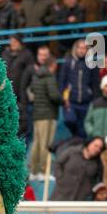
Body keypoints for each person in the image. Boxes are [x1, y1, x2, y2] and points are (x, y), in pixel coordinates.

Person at [51, 134, 104, 214]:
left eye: (100, 148)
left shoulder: (96, 163)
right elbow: (57, 163)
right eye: (96, 145)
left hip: (80, 197)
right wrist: (60, 178)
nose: (97, 149)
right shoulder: (72, 151)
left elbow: (97, 179)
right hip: (62, 194)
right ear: (89, 143)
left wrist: (90, 190)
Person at [29, 45, 59, 180]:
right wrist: (63, 100)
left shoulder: (36, 76)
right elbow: (54, 96)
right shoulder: (50, 77)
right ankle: (43, 172)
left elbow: (30, 91)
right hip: (47, 115)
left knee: (36, 143)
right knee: (45, 144)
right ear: (52, 65)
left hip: (37, 114)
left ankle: (33, 171)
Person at [58, 38, 97, 138]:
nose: (81, 50)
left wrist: (94, 100)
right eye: (79, 48)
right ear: (75, 49)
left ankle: (79, 142)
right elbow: (62, 81)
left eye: (84, 48)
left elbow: (95, 83)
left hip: (86, 102)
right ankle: (76, 136)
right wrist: (64, 98)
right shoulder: (68, 62)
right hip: (71, 101)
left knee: (84, 129)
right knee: (69, 120)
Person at [1, 33, 33, 139]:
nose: (12, 44)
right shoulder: (5, 54)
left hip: (21, 95)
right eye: (11, 41)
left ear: (20, 43)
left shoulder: (27, 55)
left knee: (22, 123)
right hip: (6, 94)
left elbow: (31, 73)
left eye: (15, 42)